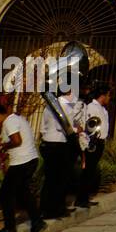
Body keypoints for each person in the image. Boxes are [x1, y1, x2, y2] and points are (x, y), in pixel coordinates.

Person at [0, 102, 46, 232]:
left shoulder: (9, 122)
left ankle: (11, 229)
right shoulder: (16, 118)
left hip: (22, 162)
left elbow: (17, 140)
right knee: (23, 193)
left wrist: (4, 147)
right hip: (28, 160)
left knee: (5, 194)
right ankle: (36, 223)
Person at [39, 86, 80, 218]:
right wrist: (76, 131)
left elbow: (43, 128)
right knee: (60, 179)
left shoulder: (47, 107)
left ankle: (46, 209)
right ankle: (56, 209)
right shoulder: (65, 106)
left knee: (50, 178)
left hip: (47, 143)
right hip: (59, 144)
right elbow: (63, 127)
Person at [75, 85, 111, 207]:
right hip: (92, 141)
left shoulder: (102, 109)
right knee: (87, 171)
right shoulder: (91, 107)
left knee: (91, 171)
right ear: (103, 95)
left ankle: (85, 197)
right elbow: (88, 125)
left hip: (100, 141)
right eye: (108, 95)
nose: (109, 98)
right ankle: (81, 199)